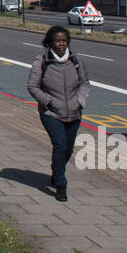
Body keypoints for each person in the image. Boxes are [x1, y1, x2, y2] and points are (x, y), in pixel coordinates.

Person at [26, 25, 89, 201]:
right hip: (51, 113)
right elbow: (32, 86)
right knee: (60, 144)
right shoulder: (42, 61)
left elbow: (85, 83)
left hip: (74, 112)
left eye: (64, 40)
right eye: (57, 41)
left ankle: (56, 171)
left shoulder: (75, 60)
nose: (61, 44)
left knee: (68, 149)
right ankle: (61, 184)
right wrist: (49, 101)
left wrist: (80, 101)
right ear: (50, 42)